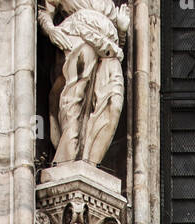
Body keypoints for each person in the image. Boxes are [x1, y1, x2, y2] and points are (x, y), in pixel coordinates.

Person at [38, 0, 130, 169]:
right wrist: (51, 30)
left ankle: (90, 163)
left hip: (110, 51)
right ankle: (68, 162)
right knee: (75, 102)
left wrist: (122, 31)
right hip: (77, 37)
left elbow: (119, 44)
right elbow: (44, 11)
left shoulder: (109, 4)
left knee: (113, 103)